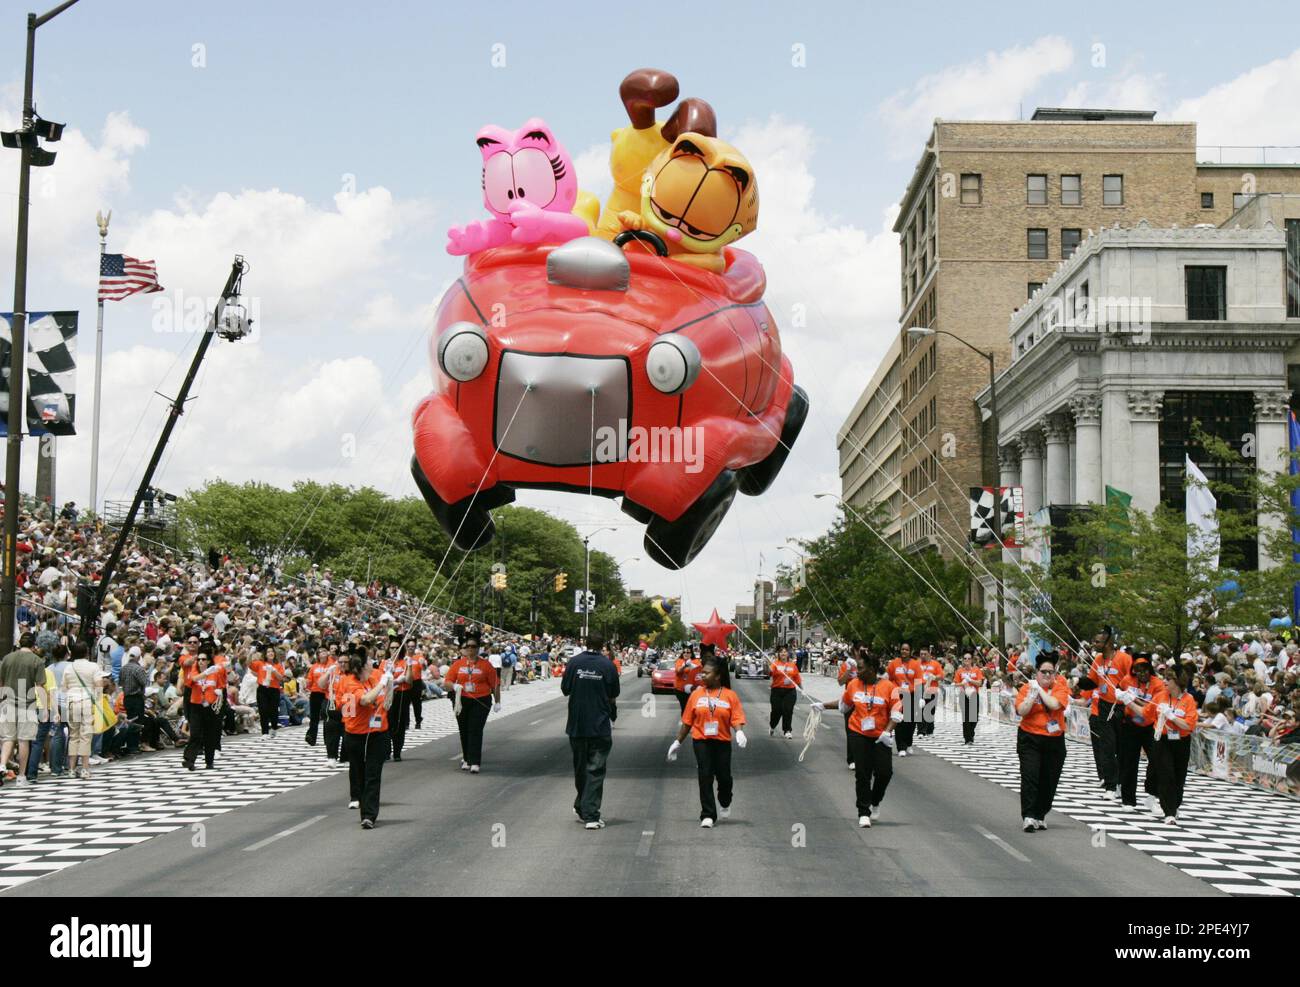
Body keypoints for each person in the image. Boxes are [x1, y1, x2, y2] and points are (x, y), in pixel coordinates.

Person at [812, 654, 902, 828]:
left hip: (880, 735)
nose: (856, 671)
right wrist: (822, 706)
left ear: (872, 669)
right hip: (858, 733)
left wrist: (887, 732)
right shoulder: (853, 685)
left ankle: (875, 801)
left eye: (860, 668)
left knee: (885, 773)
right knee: (862, 773)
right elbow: (843, 705)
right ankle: (863, 812)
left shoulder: (889, 687)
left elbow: (897, 713)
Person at [668, 651, 746, 828]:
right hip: (701, 740)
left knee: (724, 777)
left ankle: (725, 800)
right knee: (705, 775)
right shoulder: (696, 695)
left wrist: (739, 731)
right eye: (702, 672)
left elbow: (736, 717)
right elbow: (687, 721)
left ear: (718, 676)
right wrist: (677, 742)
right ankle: (708, 814)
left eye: (706, 673)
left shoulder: (729, 695)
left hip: (722, 741)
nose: (702, 675)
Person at [562, 632, 620, 829]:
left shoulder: (573, 662)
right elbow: (614, 694)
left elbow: (565, 689)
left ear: (585, 644)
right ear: (602, 645)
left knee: (581, 769)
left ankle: (584, 807)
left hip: (577, 725)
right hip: (599, 725)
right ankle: (590, 814)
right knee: (595, 770)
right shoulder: (608, 665)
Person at [335, 646, 392, 829]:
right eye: (369, 662)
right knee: (359, 773)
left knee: (372, 775)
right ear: (362, 668)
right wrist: (382, 684)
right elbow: (366, 700)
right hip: (356, 734)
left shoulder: (375, 675)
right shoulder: (350, 683)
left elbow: (386, 692)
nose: (372, 664)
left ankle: (369, 815)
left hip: (377, 734)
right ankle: (358, 798)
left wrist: (389, 680)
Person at [1014, 656, 1070, 832]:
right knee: (1030, 776)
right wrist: (1032, 695)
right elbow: (1021, 711)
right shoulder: (1026, 688)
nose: (1047, 675)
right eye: (1043, 672)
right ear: (1036, 673)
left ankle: (1040, 814)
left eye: (1050, 672)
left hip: (1054, 740)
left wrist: (1041, 690)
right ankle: (1029, 815)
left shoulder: (1060, 688)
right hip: (1030, 738)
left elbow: (1054, 705)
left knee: (1049, 779)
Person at [1116, 654, 1169, 812]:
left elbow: (1151, 706)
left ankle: (1152, 796)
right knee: (1129, 762)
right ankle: (1128, 800)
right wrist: (1120, 696)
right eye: (1138, 671)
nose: (1142, 674)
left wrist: (1134, 698)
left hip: (1149, 727)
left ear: (1150, 670)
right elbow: (1118, 691)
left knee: (1156, 761)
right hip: (1130, 725)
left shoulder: (1158, 684)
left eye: (1144, 670)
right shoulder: (1127, 680)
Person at [444, 631, 500, 773]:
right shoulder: (458, 664)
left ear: (478, 648)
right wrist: (454, 686)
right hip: (462, 700)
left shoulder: (486, 665)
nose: (470, 649)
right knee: (464, 729)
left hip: (481, 700)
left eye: (473, 646)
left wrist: (497, 701)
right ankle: (467, 758)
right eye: (468, 646)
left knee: (475, 729)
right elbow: (447, 682)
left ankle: (475, 761)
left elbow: (495, 684)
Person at [1087, 627, 1132, 800]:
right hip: (1104, 707)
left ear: (1108, 643)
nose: (1095, 645)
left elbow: (1132, 679)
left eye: (1098, 642)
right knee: (1106, 747)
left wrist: (1125, 692)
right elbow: (1092, 680)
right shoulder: (1097, 659)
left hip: (1122, 707)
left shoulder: (1124, 658)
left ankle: (1121, 783)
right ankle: (1110, 785)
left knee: (1121, 748)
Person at [1151, 669, 1198, 825]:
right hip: (1163, 740)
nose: (1165, 682)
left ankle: (1175, 805)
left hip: (1181, 742)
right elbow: (1148, 712)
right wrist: (1130, 700)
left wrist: (1173, 717)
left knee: (1179, 776)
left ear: (1177, 682)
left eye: (1168, 679)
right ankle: (1168, 812)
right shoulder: (1160, 696)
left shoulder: (1189, 700)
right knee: (1166, 774)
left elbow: (1189, 725)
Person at [0, 632, 45, 786]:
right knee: (24, 740)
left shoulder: (7, 658)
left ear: (19, 643)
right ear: (34, 645)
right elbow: (39, 687)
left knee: (7, 738)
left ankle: (2, 765)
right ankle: (21, 777)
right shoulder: (36, 661)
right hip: (28, 705)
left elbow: (2, 682)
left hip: (8, 703)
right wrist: (44, 708)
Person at [62, 642, 101, 780]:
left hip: (72, 701)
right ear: (86, 652)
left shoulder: (69, 667)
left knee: (74, 735)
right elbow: (98, 685)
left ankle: (71, 769)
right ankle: (85, 768)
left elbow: (64, 687)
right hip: (86, 700)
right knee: (86, 735)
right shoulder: (93, 666)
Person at [182, 651, 226, 771]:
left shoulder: (215, 674)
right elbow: (191, 681)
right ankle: (189, 759)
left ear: (208, 661)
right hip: (196, 707)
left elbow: (221, 685)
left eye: (203, 659)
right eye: (199, 659)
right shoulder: (194, 671)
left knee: (209, 735)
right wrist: (206, 673)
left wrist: (219, 692)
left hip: (210, 707)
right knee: (195, 733)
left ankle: (209, 761)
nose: (200, 661)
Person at [885, 643, 921, 757]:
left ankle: (908, 742)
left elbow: (919, 681)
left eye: (907, 649)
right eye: (902, 649)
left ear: (910, 651)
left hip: (911, 694)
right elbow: (889, 678)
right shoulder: (894, 663)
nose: (904, 651)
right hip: (898, 695)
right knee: (899, 720)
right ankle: (901, 746)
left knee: (910, 722)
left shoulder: (915, 664)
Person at [249, 646, 288, 739]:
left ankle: (274, 727)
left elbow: (281, 678)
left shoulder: (278, 665)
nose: (271, 653)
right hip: (262, 689)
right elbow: (249, 664)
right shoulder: (260, 663)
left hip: (274, 689)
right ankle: (265, 732)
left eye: (272, 652)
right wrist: (250, 653)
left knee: (273, 711)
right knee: (263, 711)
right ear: (265, 655)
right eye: (268, 652)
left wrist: (274, 671)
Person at [767, 644, 801, 738]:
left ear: (788, 654)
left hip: (790, 691)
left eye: (785, 652)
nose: (783, 653)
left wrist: (802, 689)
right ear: (778, 654)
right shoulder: (775, 664)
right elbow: (768, 673)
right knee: (776, 711)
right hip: (777, 691)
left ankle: (787, 730)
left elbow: (797, 678)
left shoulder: (792, 665)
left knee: (788, 710)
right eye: (781, 652)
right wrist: (767, 666)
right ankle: (772, 725)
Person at [304, 647, 333, 747]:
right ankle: (311, 737)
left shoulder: (331, 665)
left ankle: (327, 738)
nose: (323, 653)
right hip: (315, 693)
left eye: (325, 651)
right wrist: (307, 686)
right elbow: (309, 680)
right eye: (320, 651)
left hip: (327, 693)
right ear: (318, 655)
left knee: (326, 716)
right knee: (314, 717)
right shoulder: (314, 666)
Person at [954, 652, 984, 744]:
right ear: (963, 660)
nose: (967, 660)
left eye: (969, 658)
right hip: (964, 695)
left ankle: (971, 733)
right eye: (965, 658)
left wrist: (970, 680)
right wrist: (962, 683)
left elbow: (980, 683)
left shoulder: (976, 670)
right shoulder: (959, 671)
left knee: (974, 717)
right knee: (966, 717)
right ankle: (968, 739)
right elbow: (955, 684)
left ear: (971, 660)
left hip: (974, 695)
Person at [837, 645, 859, 768]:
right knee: (851, 730)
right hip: (850, 700)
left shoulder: (868, 663)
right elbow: (840, 681)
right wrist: (849, 670)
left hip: (866, 701)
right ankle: (852, 759)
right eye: (860, 649)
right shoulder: (847, 664)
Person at [915, 648, 944, 738]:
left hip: (932, 688)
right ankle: (921, 731)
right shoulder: (916, 664)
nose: (923, 656)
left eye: (925, 654)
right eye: (921, 654)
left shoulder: (935, 664)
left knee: (930, 710)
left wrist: (934, 677)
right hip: (920, 687)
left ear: (929, 654)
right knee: (920, 709)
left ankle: (929, 730)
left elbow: (941, 675)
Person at [673, 645, 700, 714]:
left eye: (688, 652)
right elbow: (678, 671)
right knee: (684, 707)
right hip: (680, 689)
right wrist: (684, 665)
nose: (686, 654)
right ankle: (685, 722)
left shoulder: (696, 661)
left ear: (691, 654)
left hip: (693, 689)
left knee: (692, 707)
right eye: (684, 652)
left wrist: (692, 665)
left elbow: (699, 670)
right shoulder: (679, 661)